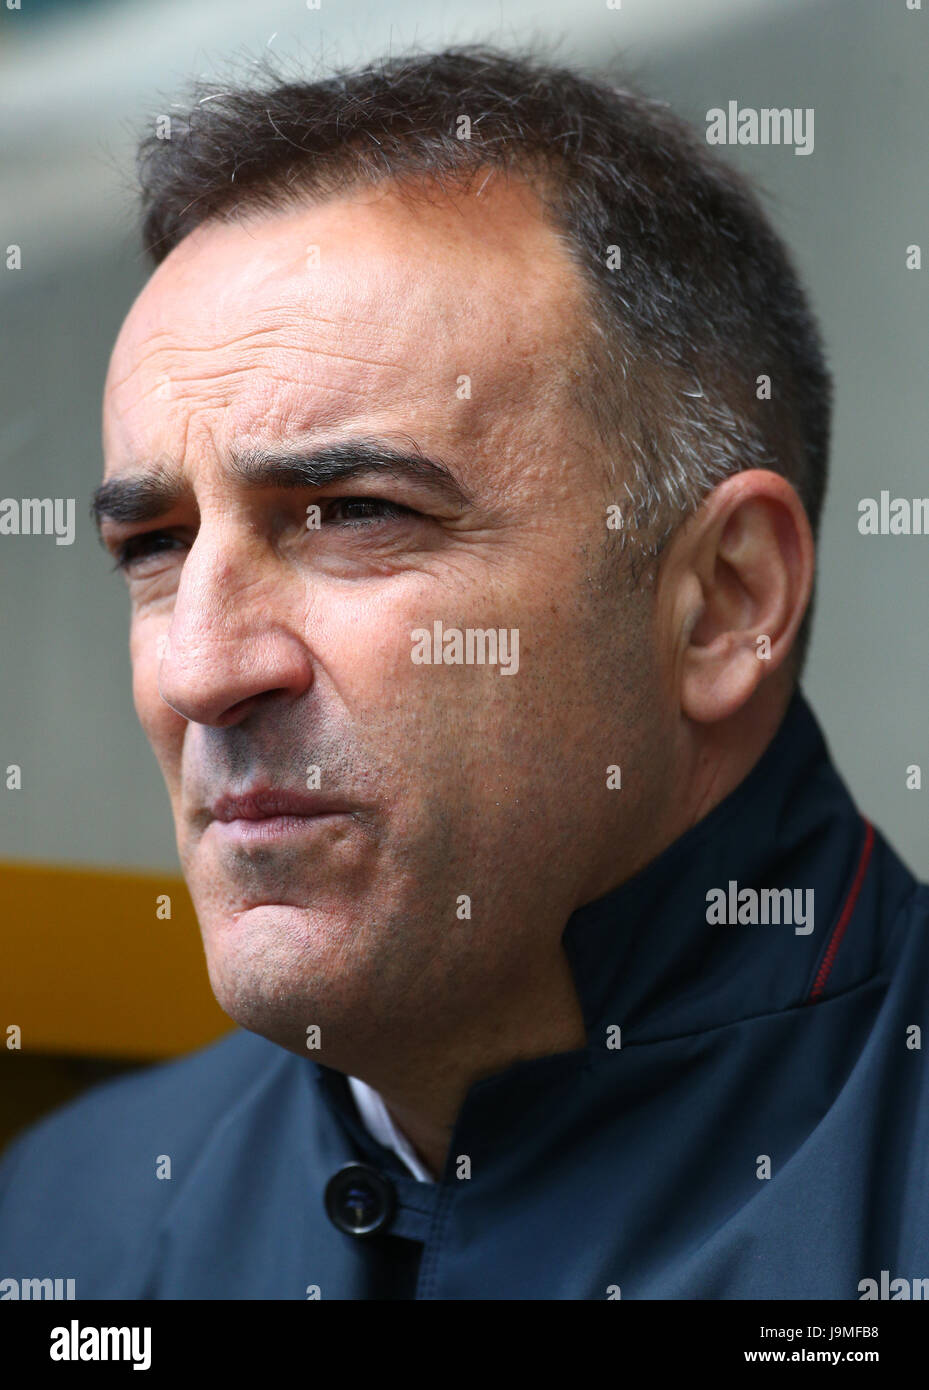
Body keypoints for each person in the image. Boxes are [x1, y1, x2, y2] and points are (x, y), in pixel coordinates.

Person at [1, 45, 926, 1301]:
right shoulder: (63, 1227)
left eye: (353, 514)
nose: (201, 670)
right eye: (154, 545)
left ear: (722, 603)